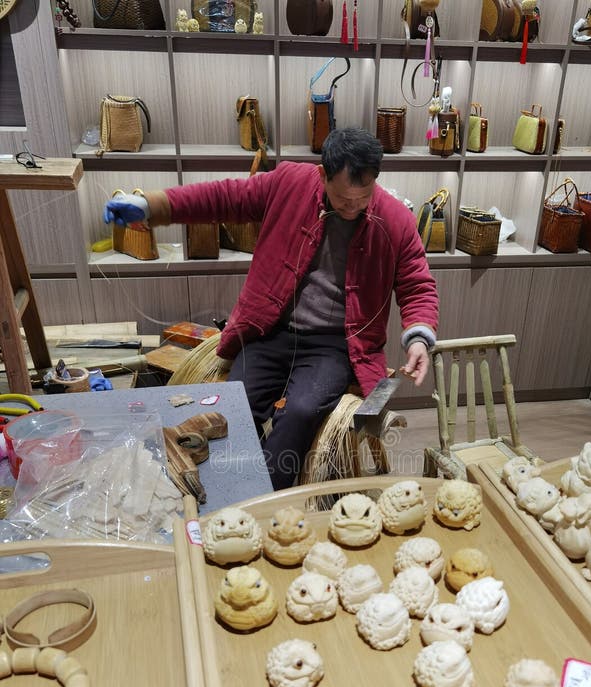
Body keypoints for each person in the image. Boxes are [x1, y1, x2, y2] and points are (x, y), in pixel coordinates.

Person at [104, 127, 439, 490]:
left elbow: (416, 284)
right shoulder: (290, 183)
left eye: (363, 197)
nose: (353, 207)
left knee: (300, 411)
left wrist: (418, 338)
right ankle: (226, 489)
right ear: (322, 174)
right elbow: (223, 198)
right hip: (270, 329)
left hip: (335, 346)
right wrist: (152, 206)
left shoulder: (395, 220)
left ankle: (265, 495)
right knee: (236, 404)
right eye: (343, 199)